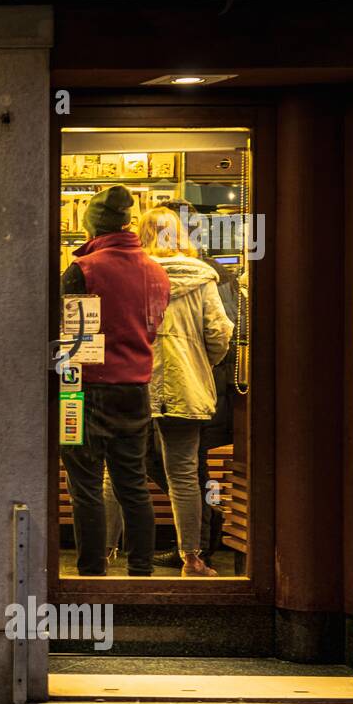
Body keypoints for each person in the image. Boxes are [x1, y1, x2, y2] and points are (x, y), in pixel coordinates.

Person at [60, 185, 171, 577]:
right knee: (133, 484)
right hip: (136, 389)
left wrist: (64, 395)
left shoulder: (85, 269)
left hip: (85, 389)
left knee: (85, 484)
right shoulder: (157, 271)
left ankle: (92, 570)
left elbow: (74, 343)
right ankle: (141, 569)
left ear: (92, 227)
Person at [137, 207, 233, 577]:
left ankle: (111, 555)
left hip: (138, 383)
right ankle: (192, 557)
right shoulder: (203, 277)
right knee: (184, 474)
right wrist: (197, 363)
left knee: (122, 470)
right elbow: (219, 333)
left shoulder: (137, 276)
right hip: (185, 386)